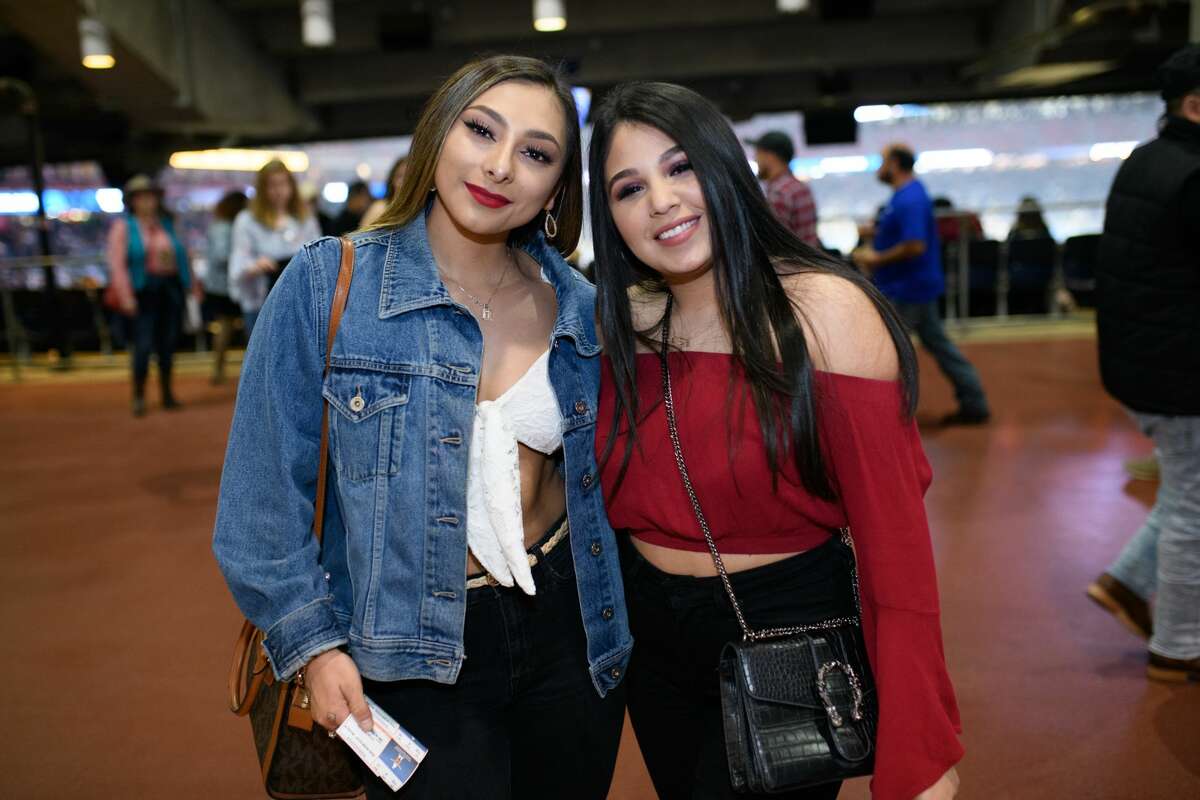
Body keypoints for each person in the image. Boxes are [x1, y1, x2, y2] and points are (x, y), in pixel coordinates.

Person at [213, 55, 631, 800]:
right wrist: (313, 645)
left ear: (556, 189)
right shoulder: (327, 282)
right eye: (481, 130)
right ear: (439, 133)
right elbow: (261, 502)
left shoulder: (579, 305)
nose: (500, 166)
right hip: (409, 649)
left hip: (570, 633)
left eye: (536, 153)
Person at [591, 82, 962, 800]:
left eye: (679, 167)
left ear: (726, 167)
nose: (660, 201)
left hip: (783, 627)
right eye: (628, 187)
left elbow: (895, 548)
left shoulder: (824, 314)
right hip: (650, 642)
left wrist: (921, 750)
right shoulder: (622, 326)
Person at [1087, 43, 1200, 683]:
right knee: (1194, 506)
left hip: (1147, 365)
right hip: (1182, 372)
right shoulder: (1193, 174)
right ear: (1195, 105)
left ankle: (1127, 582)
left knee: (1190, 487)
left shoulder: (1148, 160)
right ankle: (1178, 646)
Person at [852, 144, 990, 426]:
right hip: (912, 286)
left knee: (889, 353)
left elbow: (915, 244)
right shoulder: (905, 196)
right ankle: (973, 400)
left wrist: (877, 257)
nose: (879, 168)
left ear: (895, 164)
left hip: (908, 289)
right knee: (937, 344)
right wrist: (877, 233)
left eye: (883, 162)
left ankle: (883, 414)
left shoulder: (909, 199)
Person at [105, 174, 195, 417]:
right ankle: (139, 395)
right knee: (142, 346)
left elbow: (182, 255)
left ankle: (167, 392)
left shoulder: (166, 225)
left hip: (168, 289)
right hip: (142, 291)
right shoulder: (124, 228)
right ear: (133, 201)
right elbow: (117, 265)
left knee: (167, 344)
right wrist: (126, 296)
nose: (147, 202)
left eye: (151, 197)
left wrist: (190, 284)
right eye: (142, 198)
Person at [229, 160, 322, 340]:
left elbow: (318, 254)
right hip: (261, 300)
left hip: (299, 301)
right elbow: (238, 262)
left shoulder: (305, 218)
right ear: (262, 189)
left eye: (283, 184)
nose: (278, 190)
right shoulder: (247, 220)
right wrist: (255, 265)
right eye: (272, 185)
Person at [747, 130, 820, 248]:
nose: (756, 159)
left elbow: (776, 244)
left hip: (791, 263)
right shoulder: (800, 187)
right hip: (807, 262)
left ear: (770, 156)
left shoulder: (779, 192)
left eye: (758, 153)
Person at [204, 190, 247, 384]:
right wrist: (243, 262)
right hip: (225, 285)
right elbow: (222, 256)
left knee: (225, 327)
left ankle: (218, 369)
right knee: (227, 327)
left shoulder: (218, 225)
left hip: (218, 285)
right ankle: (218, 369)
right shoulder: (225, 227)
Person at [360, 156, 408, 227]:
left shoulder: (423, 211)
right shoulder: (380, 208)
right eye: (400, 176)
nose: (403, 182)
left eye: (408, 177)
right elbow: (362, 236)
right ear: (392, 180)